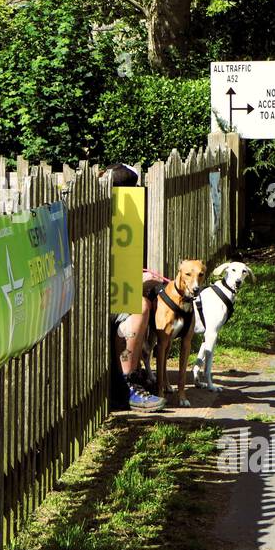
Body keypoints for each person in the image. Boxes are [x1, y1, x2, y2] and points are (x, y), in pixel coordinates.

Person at [102, 164, 164, 411]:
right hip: (92, 298)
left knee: (141, 303)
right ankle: (126, 386)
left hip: (112, 292)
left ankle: (130, 380)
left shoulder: (125, 215)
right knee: (137, 305)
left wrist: (138, 276)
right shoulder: (100, 214)